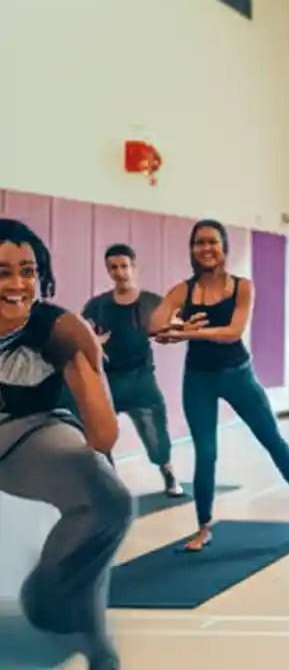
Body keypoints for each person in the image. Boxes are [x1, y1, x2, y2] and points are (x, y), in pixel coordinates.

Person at [0, 219, 134, 670]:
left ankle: (64, 610)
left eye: (28, 271)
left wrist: (84, 356)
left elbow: (103, 435)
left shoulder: (57, 328)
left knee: (109, 500)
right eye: (2, 272)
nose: (18, 284)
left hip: (28, 433)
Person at [150, 219, 289, 552]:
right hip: (199, 378)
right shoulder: (184, 290)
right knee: (206, 454)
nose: (206, 248)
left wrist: (183, 332)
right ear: (192, 249)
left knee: (271, 439)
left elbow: (231, 332)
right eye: (199, 243)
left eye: (212, 242)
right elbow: (155, 325)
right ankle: (203, 526)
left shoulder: (243, 287)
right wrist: (175, 322)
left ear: (224, 247)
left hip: (238, 375)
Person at [74, 243, 184, 497]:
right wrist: (92, 343)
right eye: (114, 268)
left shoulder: (152, 303)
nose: (119, 272)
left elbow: (172, 329)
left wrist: (173, 331)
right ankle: (110, 483)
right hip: (108, 382)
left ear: (133, 267)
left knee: (155, 434)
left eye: (124, 266)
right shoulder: (97, 306)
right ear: (108, 271)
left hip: (141, 380)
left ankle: (167, 471)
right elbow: (82, 336)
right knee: (99, 433)